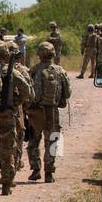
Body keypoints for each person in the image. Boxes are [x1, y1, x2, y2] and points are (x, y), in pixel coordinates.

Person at [0, 40, 31, 195]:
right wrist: (16, 102)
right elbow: (28, 92)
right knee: (8, 150)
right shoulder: (13, 72)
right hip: (8, 115)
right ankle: (6, 185)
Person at [26, 42, 71, 183]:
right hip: (53, 111)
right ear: (53, 54)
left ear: (39, 55)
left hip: (36, 111)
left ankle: (35, 170)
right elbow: (67, 93)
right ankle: (49, 173)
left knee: (33, 140)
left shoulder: (33, 70)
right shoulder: (60, 71)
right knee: (52, 141)